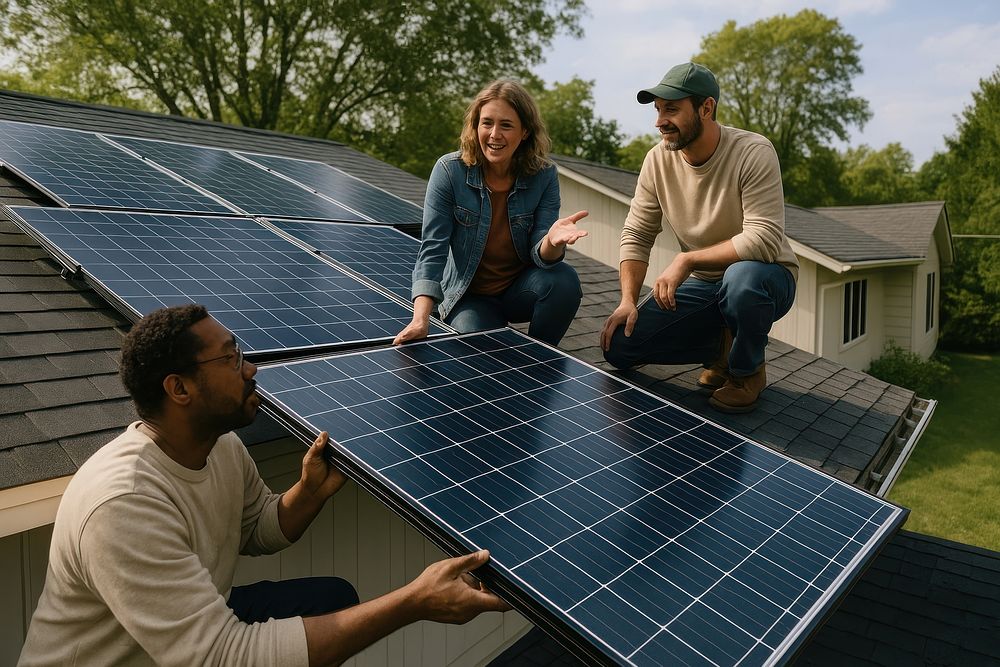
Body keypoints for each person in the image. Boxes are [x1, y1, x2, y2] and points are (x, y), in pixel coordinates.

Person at [18, 304, 508, 667]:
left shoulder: (220, 445)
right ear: (179, 389)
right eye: (231, 360)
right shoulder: (123, 502)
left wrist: (310, 491)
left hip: (183, 639)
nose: (251, 369)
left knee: (331, 598)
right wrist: (414, 602)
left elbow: (256, 528)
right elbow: (221, 658)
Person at [599, 62, 799, 413]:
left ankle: (746, 371)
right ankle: (720, 349)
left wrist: (686, 258)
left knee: (741, 280)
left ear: (706, 108)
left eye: (672, 109)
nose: (660, 120)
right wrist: (628, 300)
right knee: (618, 346)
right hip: (708, 286)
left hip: (766, 277)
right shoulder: (657, 160)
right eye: (658, 109)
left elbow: (765, 237)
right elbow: (637, 232)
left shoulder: (753, 151)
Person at [394, 79, 588, 348]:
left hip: (519, 290)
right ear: (475, 127)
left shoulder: (543, 176)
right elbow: (432, 249)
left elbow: (542, 253)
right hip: (469, 296)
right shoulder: (450, 171)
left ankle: (539, 360)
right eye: (487, 123)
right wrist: (420, 319)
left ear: (525, 132)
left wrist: (552, 242)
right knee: (481, 350)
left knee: (564, 281)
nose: (494, 134)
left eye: (506, 125)